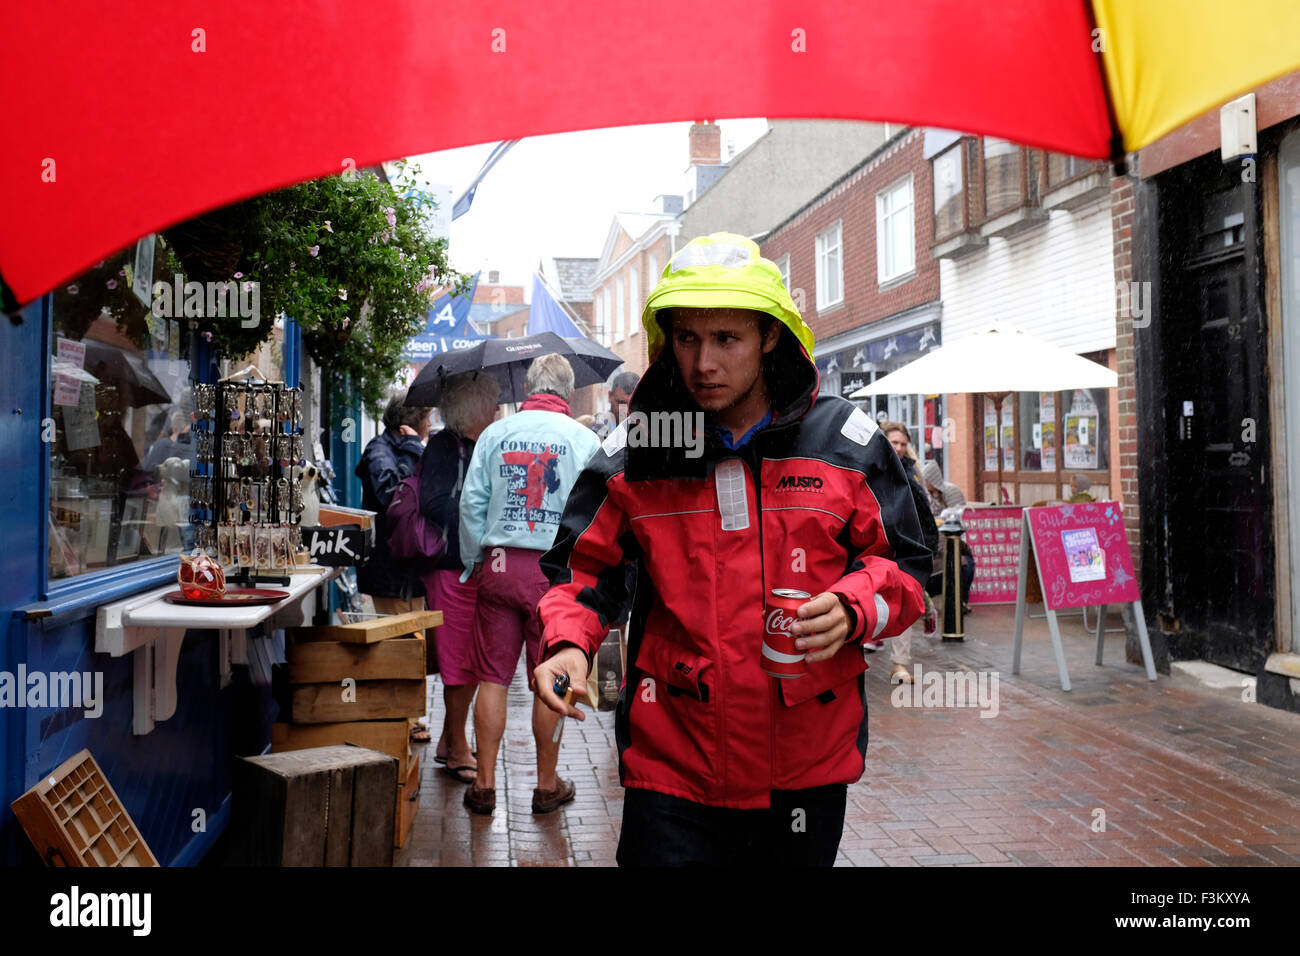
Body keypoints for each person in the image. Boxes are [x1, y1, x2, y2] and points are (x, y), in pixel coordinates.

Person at [533, 232, 929, 867]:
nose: (703, 364)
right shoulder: (636, 452)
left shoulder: (847, 443)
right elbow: (582, 572)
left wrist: (857, 605)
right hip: (672, 772)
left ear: (770, 336)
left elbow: (908, 565)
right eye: (687, 339)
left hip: (804, 770)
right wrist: (568, 645)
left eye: (726, 340)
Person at [457, 353, 601, 815]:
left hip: (499, 567)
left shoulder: (496, 434)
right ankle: (545, 783)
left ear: (530, 388)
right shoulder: (583, 439)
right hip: (555, 575)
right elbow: (598, 509)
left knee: (492, 678)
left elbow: (471, 502)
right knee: (552, 676)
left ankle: (483, 784)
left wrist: (472, 559)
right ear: (567, 392)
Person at [416, 371, 500, 781]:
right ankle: (458, 746)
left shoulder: (478, 445)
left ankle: (451, 741)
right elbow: (433, 503)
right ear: (472, 408)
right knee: (457, 659)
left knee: (468, 658)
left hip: (470, 566)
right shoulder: (446, 446)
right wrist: (479, 519)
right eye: (492, 402)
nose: (499, 409)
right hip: (452, 566)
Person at [355, 390, 433, 682]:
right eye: (426, 419)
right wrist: (416, 447)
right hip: (391, 569)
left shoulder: (403, 448)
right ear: (408, 424)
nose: (428, 425)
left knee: (412, 642)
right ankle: (406, 723)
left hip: (409, 568)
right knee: (403, 644)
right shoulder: (380, 451)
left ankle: (411, 721)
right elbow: (393, 497)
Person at [874, 422, 938, 684]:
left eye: (903, 443)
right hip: (876, 544)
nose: (899, 448)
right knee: (871, 599)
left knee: (903, 600)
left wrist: (927, 543)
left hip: (906, 545)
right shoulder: (872, 466)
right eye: (894, 442)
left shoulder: (912, 472)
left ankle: (899, 663)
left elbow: (922, 510)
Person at [920, 459, 975, 611]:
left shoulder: (951, 492)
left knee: (966, 564)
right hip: (933, 543)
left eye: (926, 479)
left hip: (951, 538)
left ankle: (961, 601)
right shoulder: (923, 495)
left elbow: (960, 515)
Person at [590, 370, 639, 439]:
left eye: (632, 405)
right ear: (610, 396)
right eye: (621, 402)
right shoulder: (596, 431)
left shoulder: (646, 430)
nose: (626, 410)